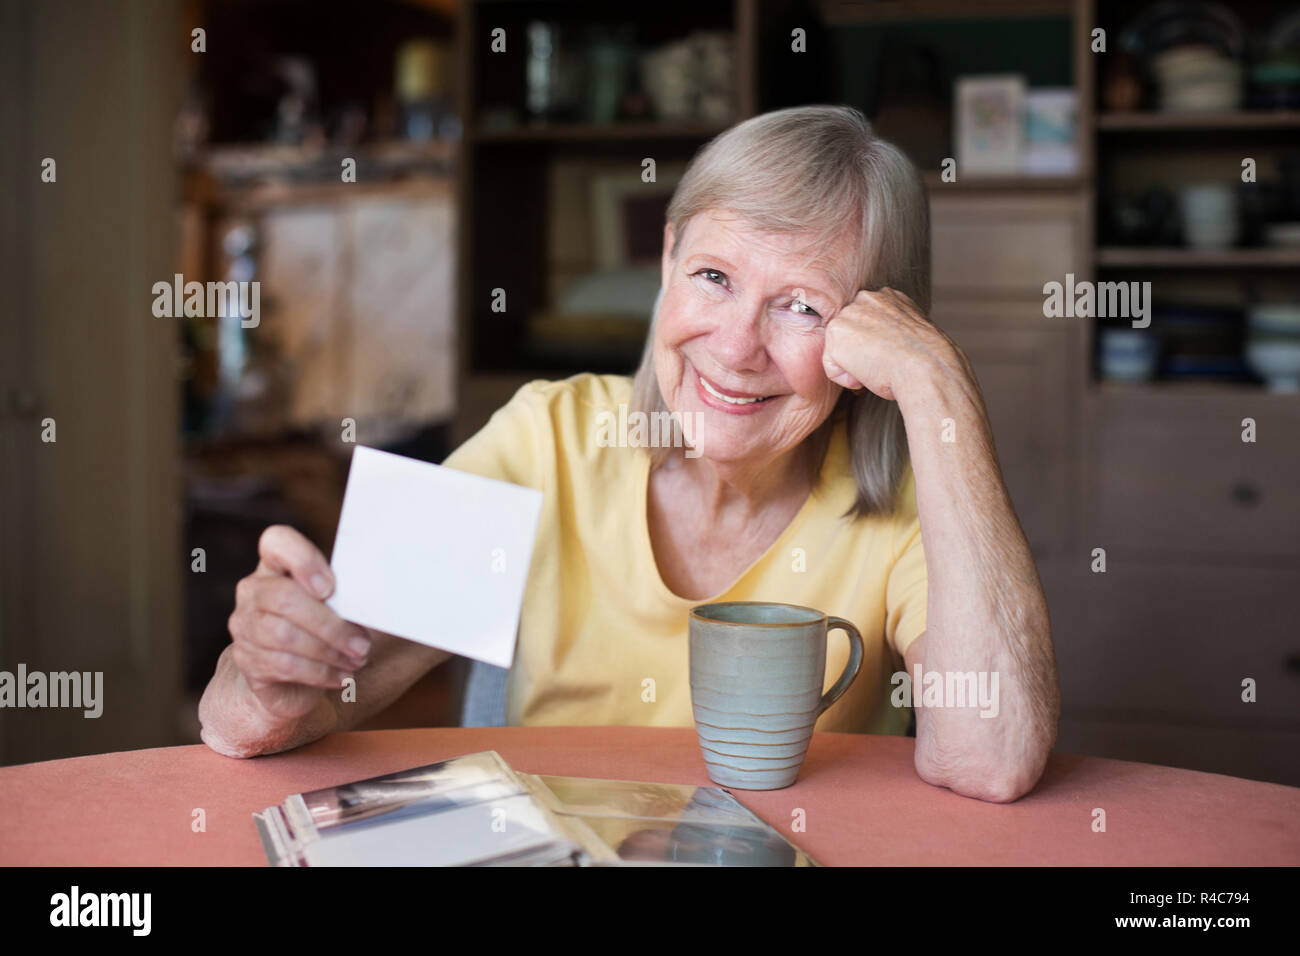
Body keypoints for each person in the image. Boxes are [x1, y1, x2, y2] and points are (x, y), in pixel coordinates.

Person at [199, 105, 1059, 803]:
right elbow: (280, 707)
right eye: (714, 277)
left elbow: (990, 759)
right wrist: (269, 663)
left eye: (800, 305)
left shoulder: (909, 510)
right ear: (666, 261)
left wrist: (940, 386)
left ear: (878, 334)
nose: (736, 346)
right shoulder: (551, 441)